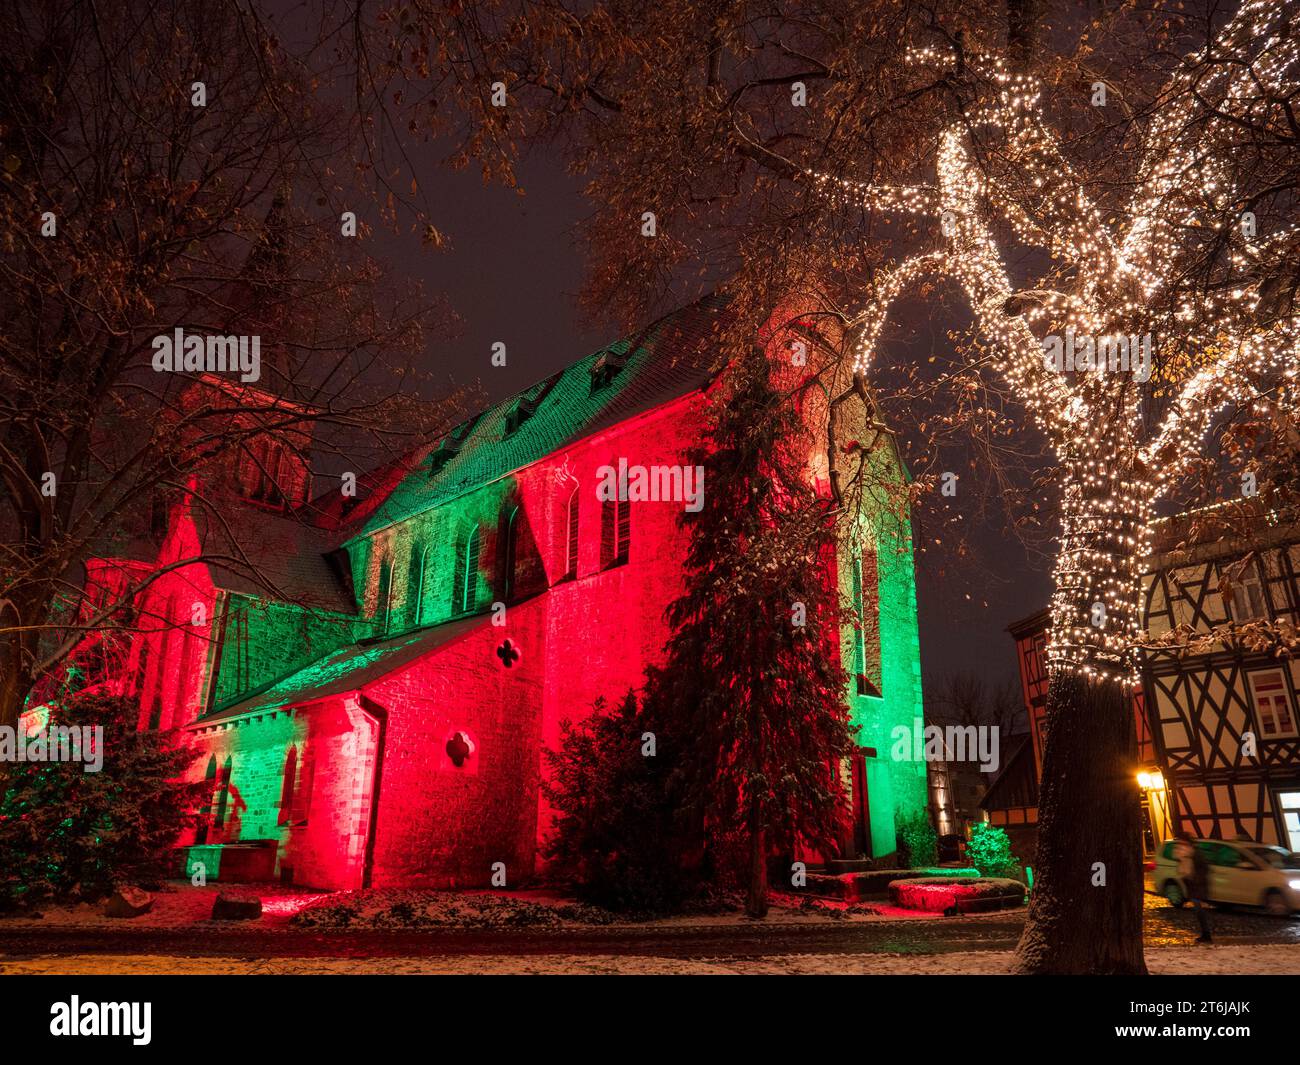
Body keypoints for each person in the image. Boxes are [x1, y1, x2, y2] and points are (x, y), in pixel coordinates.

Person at [1172, 834, 1213, 943]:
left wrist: (1196, 879)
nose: (1180, 845)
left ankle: (1206, 934)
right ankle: (1205, 934)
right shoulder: (1185, 853)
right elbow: (1181, 865)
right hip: (1192, 886)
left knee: (1199, 911)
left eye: (1182, 842)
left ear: (1188, 842)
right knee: (1198, 911)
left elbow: (1204, 868)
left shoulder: (1195, 853)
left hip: (1198, 886)